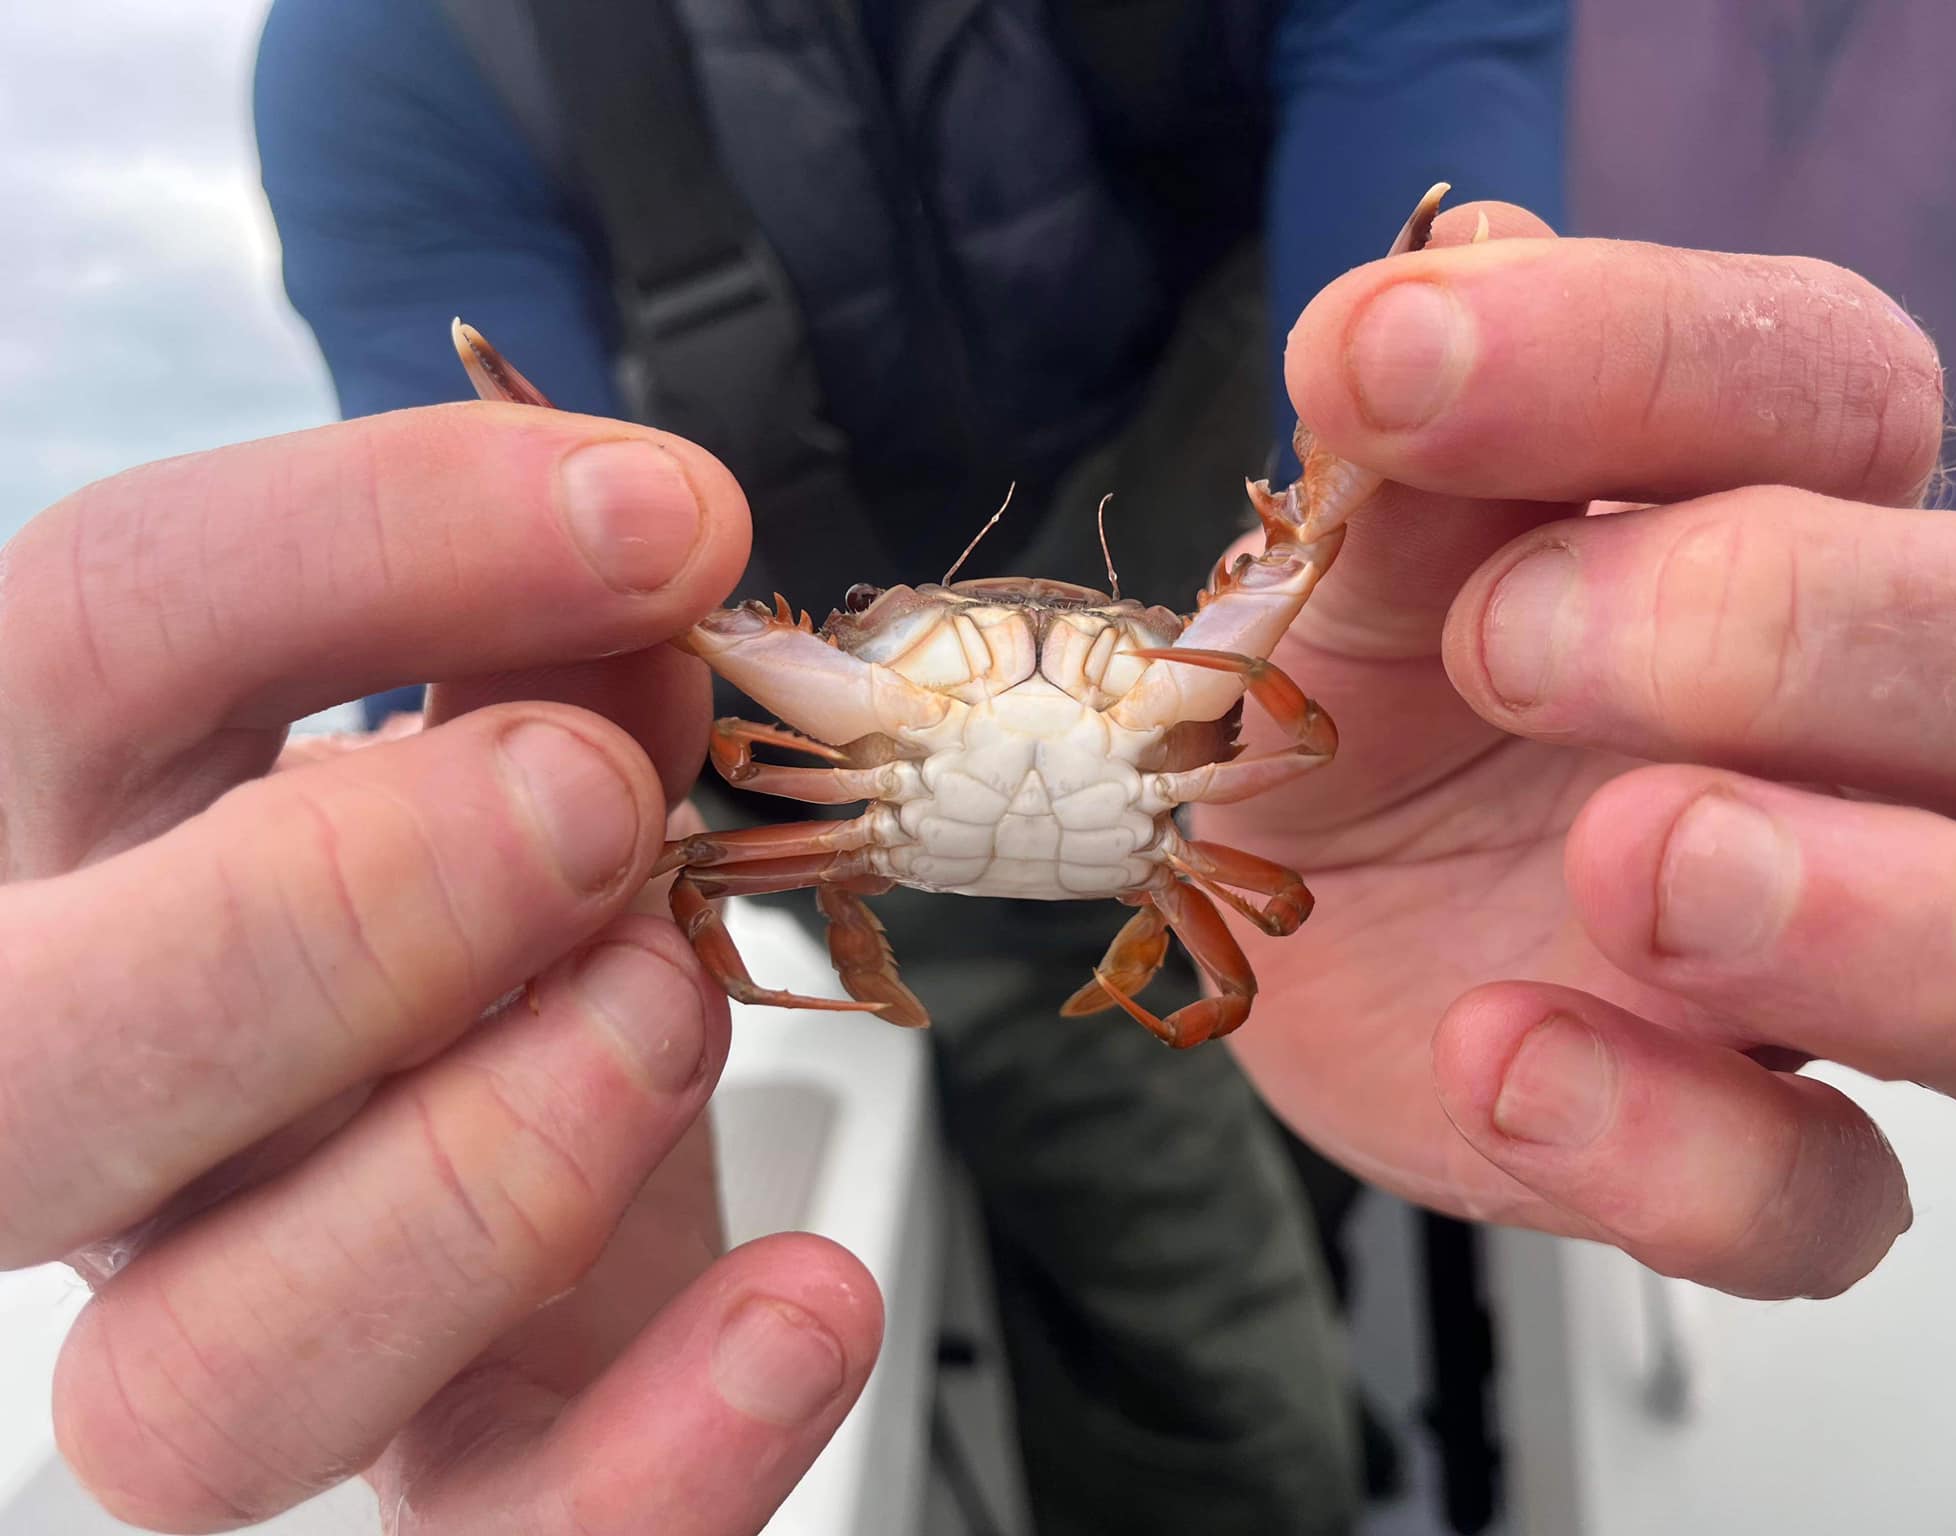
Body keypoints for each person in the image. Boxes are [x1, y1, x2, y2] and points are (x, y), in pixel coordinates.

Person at [12, 190, 1956, 1534]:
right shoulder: (419, 54)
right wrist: (379, 936)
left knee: (1235, 1388)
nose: (1025, 662)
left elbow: (1385, 389)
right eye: (954, 638)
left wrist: (1467, 553)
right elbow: (515, 569)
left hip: (1254, 820)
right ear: (856, 641)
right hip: (796, 857)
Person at [247, 4, 1571, 1533]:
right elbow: (482, 562)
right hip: (891, 802)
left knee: (1291, 1118)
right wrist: (449, 888)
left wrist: (1394, 616)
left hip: (1232, 710)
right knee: (1205, 1339)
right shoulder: (406, 42)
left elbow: (1415, 275)